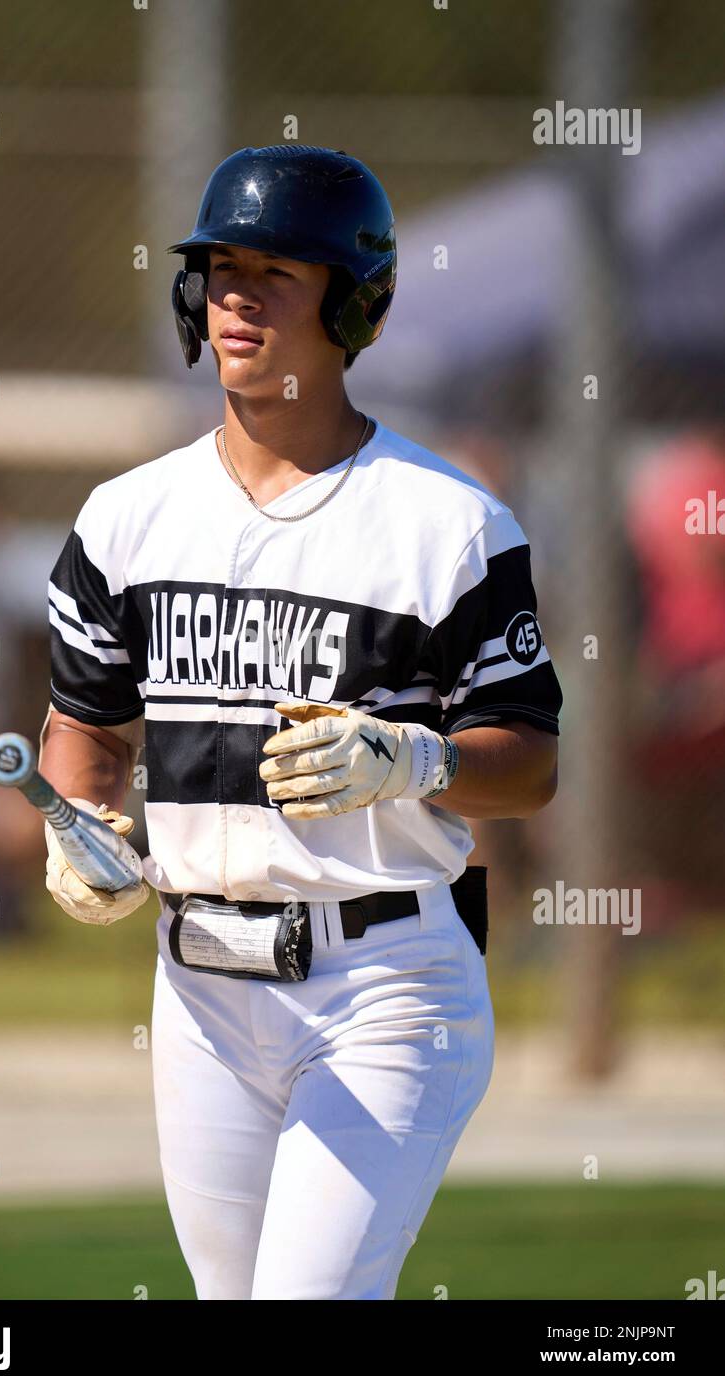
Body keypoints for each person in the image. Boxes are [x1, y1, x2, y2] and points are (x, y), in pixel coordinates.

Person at [38, 146, 562, 1300]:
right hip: (200, 991)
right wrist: (74, 823)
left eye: (275, 270)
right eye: (219, 267)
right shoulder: (127, 517)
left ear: (353, 300)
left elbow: (526, 766)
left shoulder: (446, 524)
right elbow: (85, 721)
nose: (234, 294)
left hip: (386, 982)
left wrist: (412, 758)